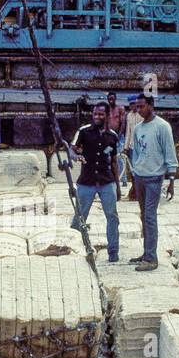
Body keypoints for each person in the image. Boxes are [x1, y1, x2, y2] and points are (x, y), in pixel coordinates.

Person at [127, 95, 177, 271]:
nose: (138, 110)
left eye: (141, 107)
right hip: (140, 176)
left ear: (151, 105)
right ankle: (146, 253)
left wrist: (171, 180)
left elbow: (170, 153)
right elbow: (137, 153)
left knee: (150, 216)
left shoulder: (162, 127)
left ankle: (151, 258)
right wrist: (134, 176)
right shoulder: (138, 128)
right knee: (143, 215)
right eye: (136, 107)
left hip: (154, 178)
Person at [71, 102, 122, 262]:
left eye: (101, 114)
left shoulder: (112, 136)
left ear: (107, 115)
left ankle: (113, 253)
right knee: (80, 217)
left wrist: (118, 186)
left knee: (112, 217)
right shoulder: (84, 132)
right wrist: (76, 157)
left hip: (107, 183)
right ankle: (73, 249)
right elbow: (71, 150)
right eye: (95, 114)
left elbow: (113, 161)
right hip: (87, 183)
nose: (97, 117)